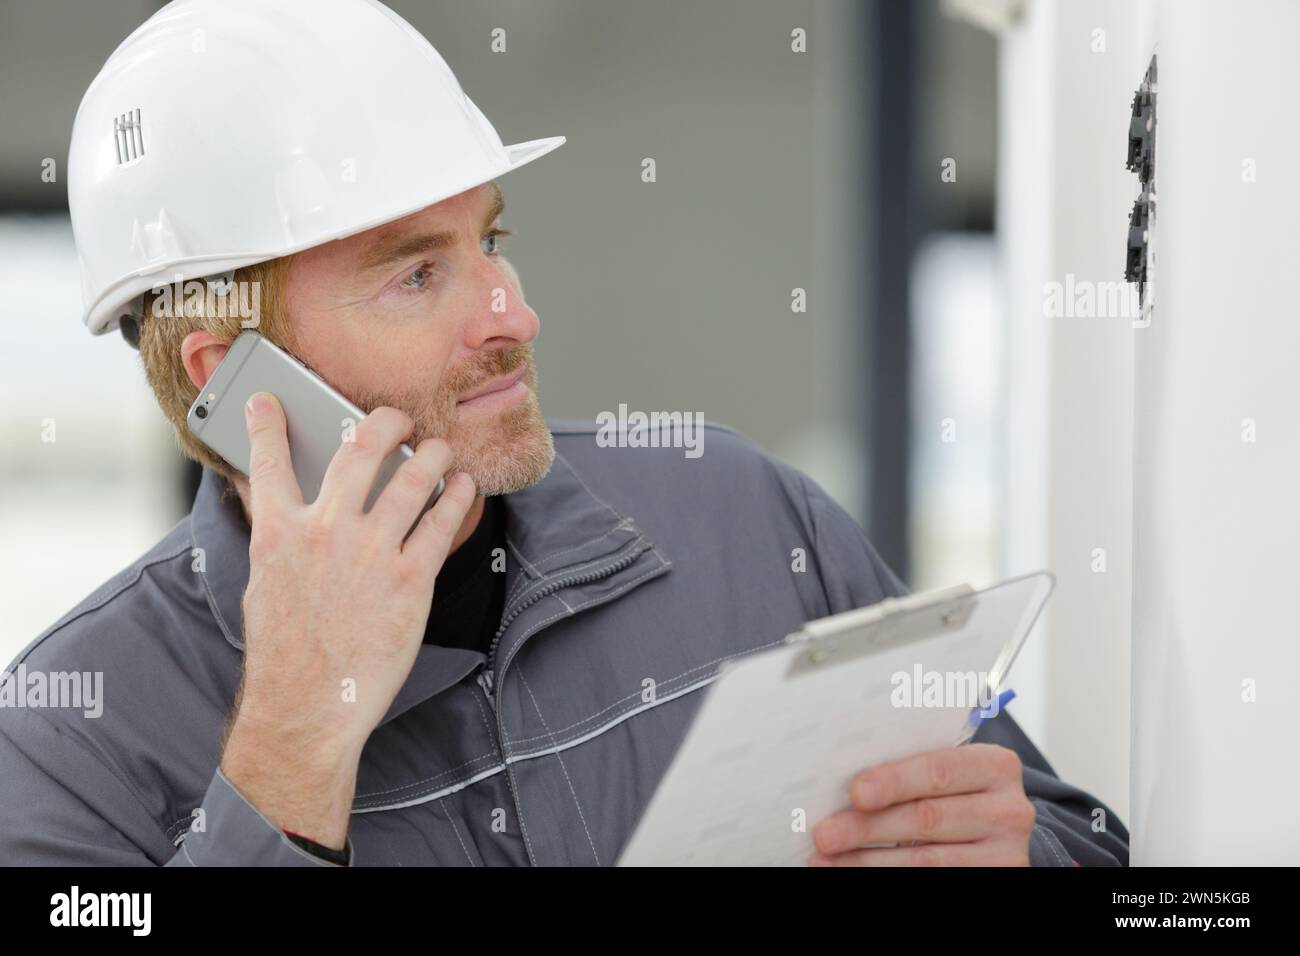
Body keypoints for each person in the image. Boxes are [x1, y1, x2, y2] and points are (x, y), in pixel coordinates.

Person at [0, 0, 1126, 867]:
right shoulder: (71, 736)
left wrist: (1025, 850)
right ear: (236, 380)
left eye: (491, 240)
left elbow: (1102, 853)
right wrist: (292, 745)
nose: (511, 316)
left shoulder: (743, 517)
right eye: (417, 275)